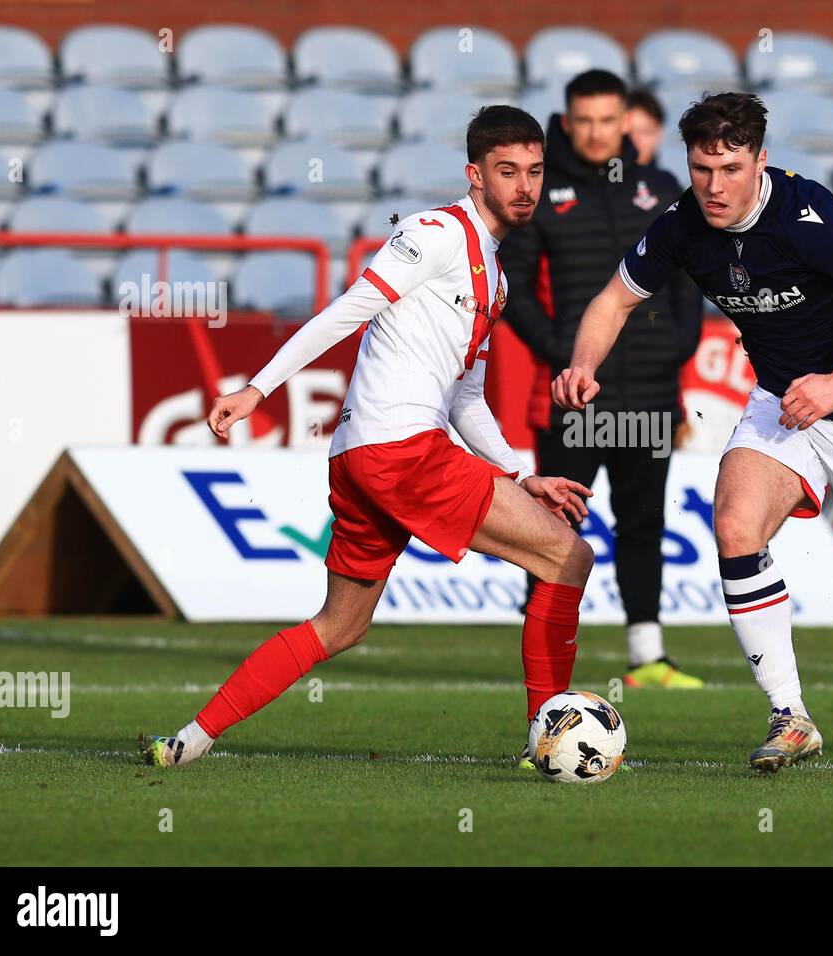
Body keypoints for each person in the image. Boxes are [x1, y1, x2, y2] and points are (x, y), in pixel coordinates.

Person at [141, 106, 595, 769]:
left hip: (361, 459)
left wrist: (517, 473)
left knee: (341, 625)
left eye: (533, 171)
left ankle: (188, 741)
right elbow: (348, 310)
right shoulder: (435, 233)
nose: (524, 185)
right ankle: (545, 744)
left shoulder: (494, 278)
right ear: (475, 175)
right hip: (402, 450)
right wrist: (256, 389)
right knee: (567, 559)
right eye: (507, 171)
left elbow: (467, 396)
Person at [553, 93, 833, 773]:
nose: (714, 186)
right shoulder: (681, 226)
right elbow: (613, 299)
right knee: (735, 526)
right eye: (701, 169)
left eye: (730, 168)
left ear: (760, 161)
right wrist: (582, 363)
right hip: (783, 402)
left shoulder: (805, 218)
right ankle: (791, 716)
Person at [500, 70, 705, 691]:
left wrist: (680, 343)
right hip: (575, 397)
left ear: (626, 121)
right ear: (567, 121)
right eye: (584, 120)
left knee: (643, 524)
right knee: (554, 531)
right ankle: (540, 658)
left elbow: (691, 275)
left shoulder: (660, 188)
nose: (596, 132)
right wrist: (564, 353)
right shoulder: (545, 192)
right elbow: (512, 286)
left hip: (650, 392)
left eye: (607, 119)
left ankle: (647, 657)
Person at [625, 87, 666, 170]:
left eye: (645, 132)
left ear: (659, 134)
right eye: (629, 132)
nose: (636, 140)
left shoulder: (667, 182)